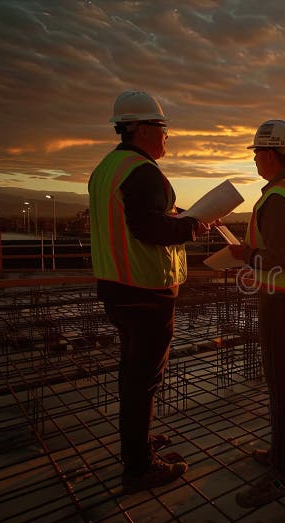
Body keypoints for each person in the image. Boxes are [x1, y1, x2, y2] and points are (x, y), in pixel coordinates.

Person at [89, 90, 209, 493]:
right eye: (163, 128)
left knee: (133, 373)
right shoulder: (142, 171)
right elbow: (149, 229)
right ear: (141, 130)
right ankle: (140, 467)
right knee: (144, 378)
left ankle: (137, 444)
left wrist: (175, 218)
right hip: (145, 289)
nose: (167, 136)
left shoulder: (107, 168)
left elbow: (134, 220)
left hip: (116, 287)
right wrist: (191, 225)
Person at [229, 119, 285, 507]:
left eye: (256, 153)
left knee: (283, 384)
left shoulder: (279, 198)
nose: (254, 161)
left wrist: (243, 254)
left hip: (283, 299)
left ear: (269, 153)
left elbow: (276, 259)